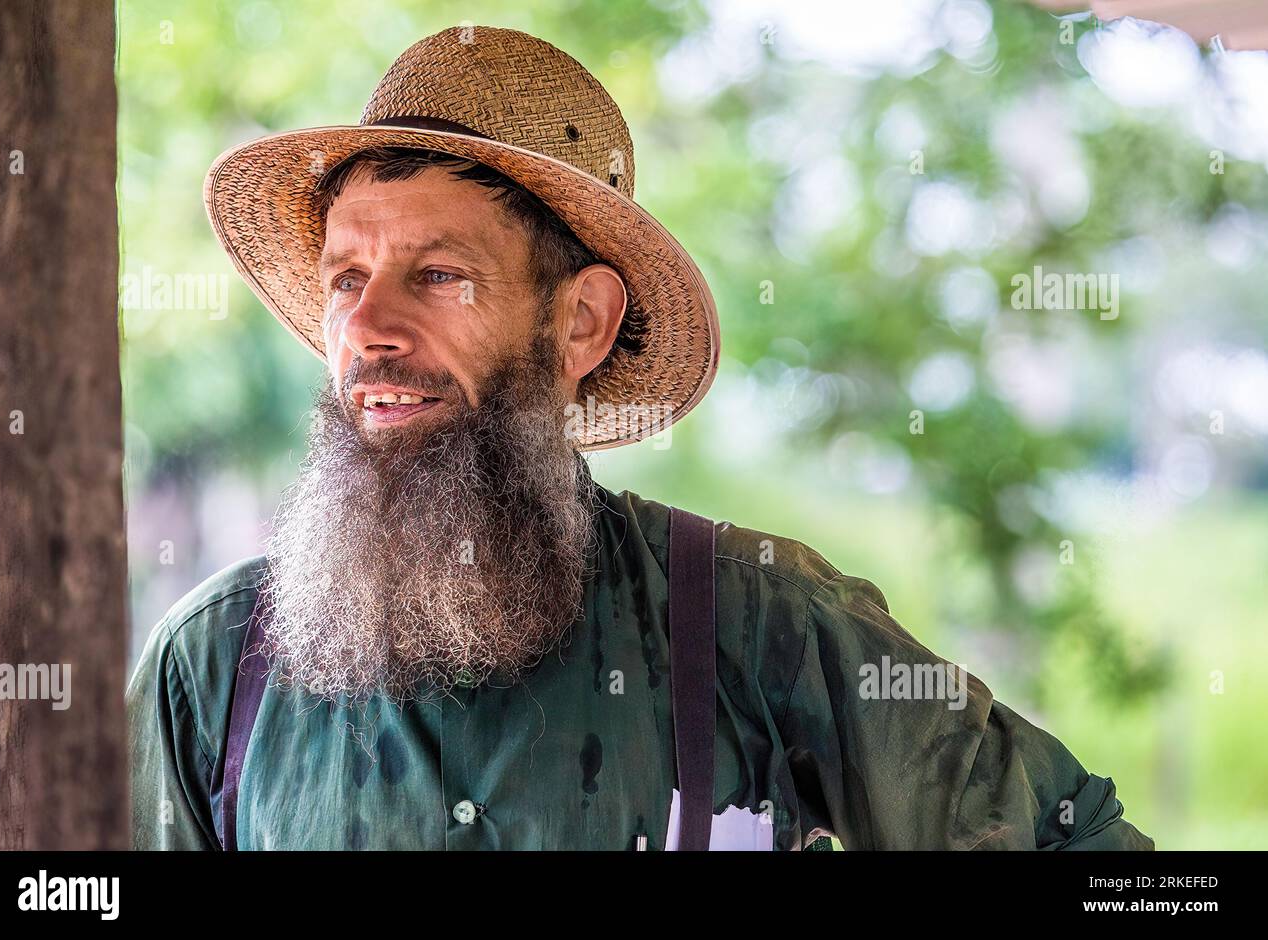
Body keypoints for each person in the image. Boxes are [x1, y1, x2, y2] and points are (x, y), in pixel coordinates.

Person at [127, 25, 1153, 851]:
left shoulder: (751, 623)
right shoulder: (211, 669)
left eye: (438, 275)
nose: (368, 328)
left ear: (582, 323)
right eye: (347, 278)